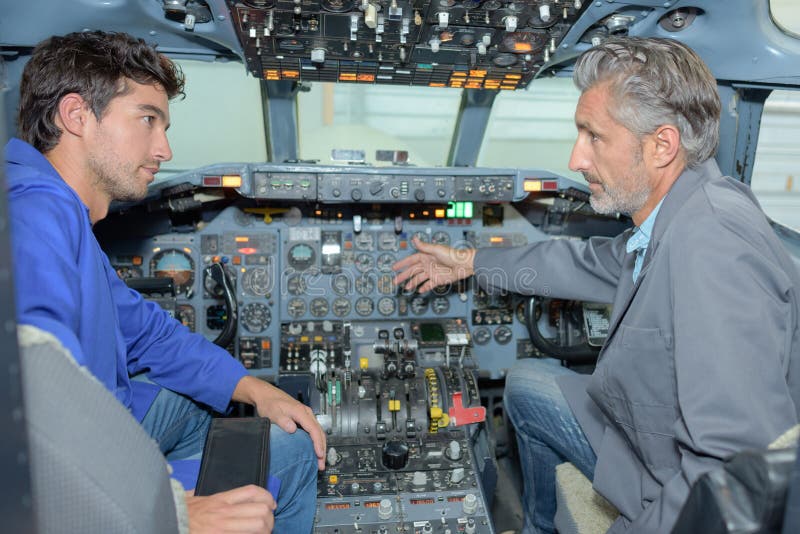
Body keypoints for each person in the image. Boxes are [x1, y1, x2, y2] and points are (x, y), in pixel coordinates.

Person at [394, 37, 800, 533]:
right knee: (526, 386)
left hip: (673, 483)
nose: (575, 159)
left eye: (594, 136)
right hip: (647, 438)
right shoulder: (682, 214)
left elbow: (732, 474)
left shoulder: (712, 247)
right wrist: (471, 260)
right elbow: (582, 261)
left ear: (663, 145)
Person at [6, 31, 325, 534]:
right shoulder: (32, 213)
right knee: (290, 449)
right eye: (147, 119)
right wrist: (172, 514)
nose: (164, 149)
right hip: (62, 476)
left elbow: (148, 334)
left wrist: (254, 389)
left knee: (197, 398)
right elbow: (31, 400)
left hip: (105, 420)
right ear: (76, 115)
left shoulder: (61, 212)